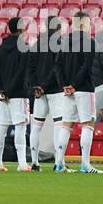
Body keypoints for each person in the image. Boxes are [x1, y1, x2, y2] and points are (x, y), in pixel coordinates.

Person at [0, 16, 31, 172]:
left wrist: (0, 90)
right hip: (18, 94)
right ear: (20, 30)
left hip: (3, 96)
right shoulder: (24, 48)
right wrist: (10, 91)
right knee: (20, 128)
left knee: (1, 128)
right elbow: (22, 73)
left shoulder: (0, 49)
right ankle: (22, 163)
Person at [27, 15, 68, 173]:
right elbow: (57, 68)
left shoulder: (36, 44)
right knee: (59, 126)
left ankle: (35, 163)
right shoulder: (59, 43)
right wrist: (44, 86)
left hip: (39, 92)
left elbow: (30, 69)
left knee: (36, 127)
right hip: (55, 90)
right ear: (58, 28)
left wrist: (35, 87)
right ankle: (59, 163)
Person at [62, 10, 101, 173]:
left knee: (66, 125)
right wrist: (75, 85)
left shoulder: (64, 42)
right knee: (88, 124)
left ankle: (59, 164)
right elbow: (86, 66)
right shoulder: (89, 42)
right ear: (84, 24)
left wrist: (65, 85)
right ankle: (85, 164)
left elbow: (58, 66)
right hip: (83, 88)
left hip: (67, 91)